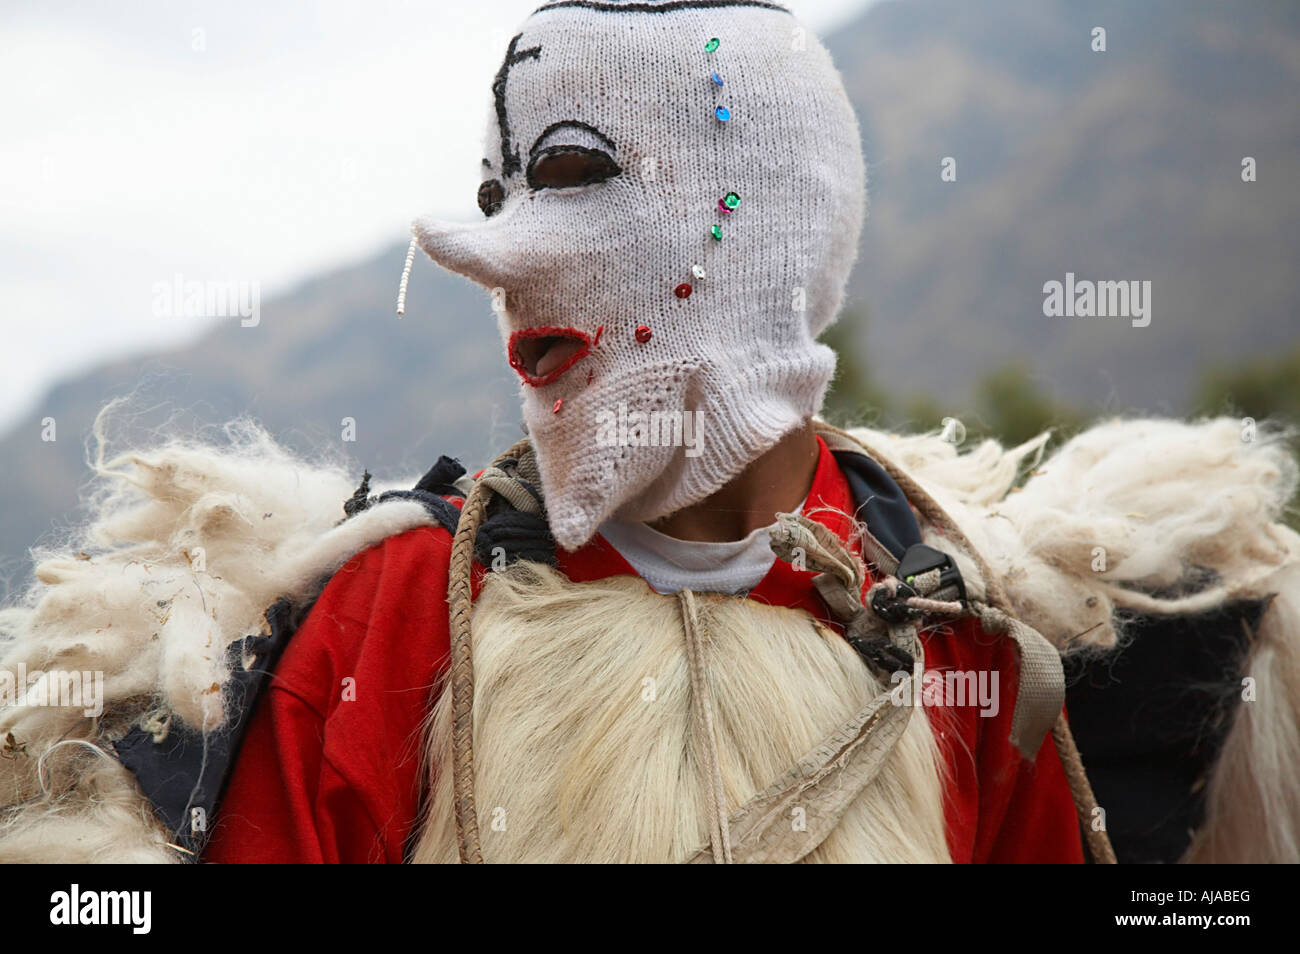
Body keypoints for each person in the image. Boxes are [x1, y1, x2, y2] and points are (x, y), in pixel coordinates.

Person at [203, 0, 1087, 864]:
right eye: (495, 196)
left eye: (575, 175)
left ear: (771, 223)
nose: (499, 256)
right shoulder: (391, 618)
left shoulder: (955, 629)